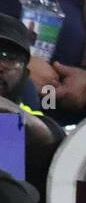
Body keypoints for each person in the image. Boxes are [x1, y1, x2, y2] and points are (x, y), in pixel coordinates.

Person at [0, 13, 63, 193]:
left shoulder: (26, 118)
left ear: (26, 76)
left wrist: (8, 113)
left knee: (7, 126)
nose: (0, 65)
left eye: (9, 57)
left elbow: (49, 135)